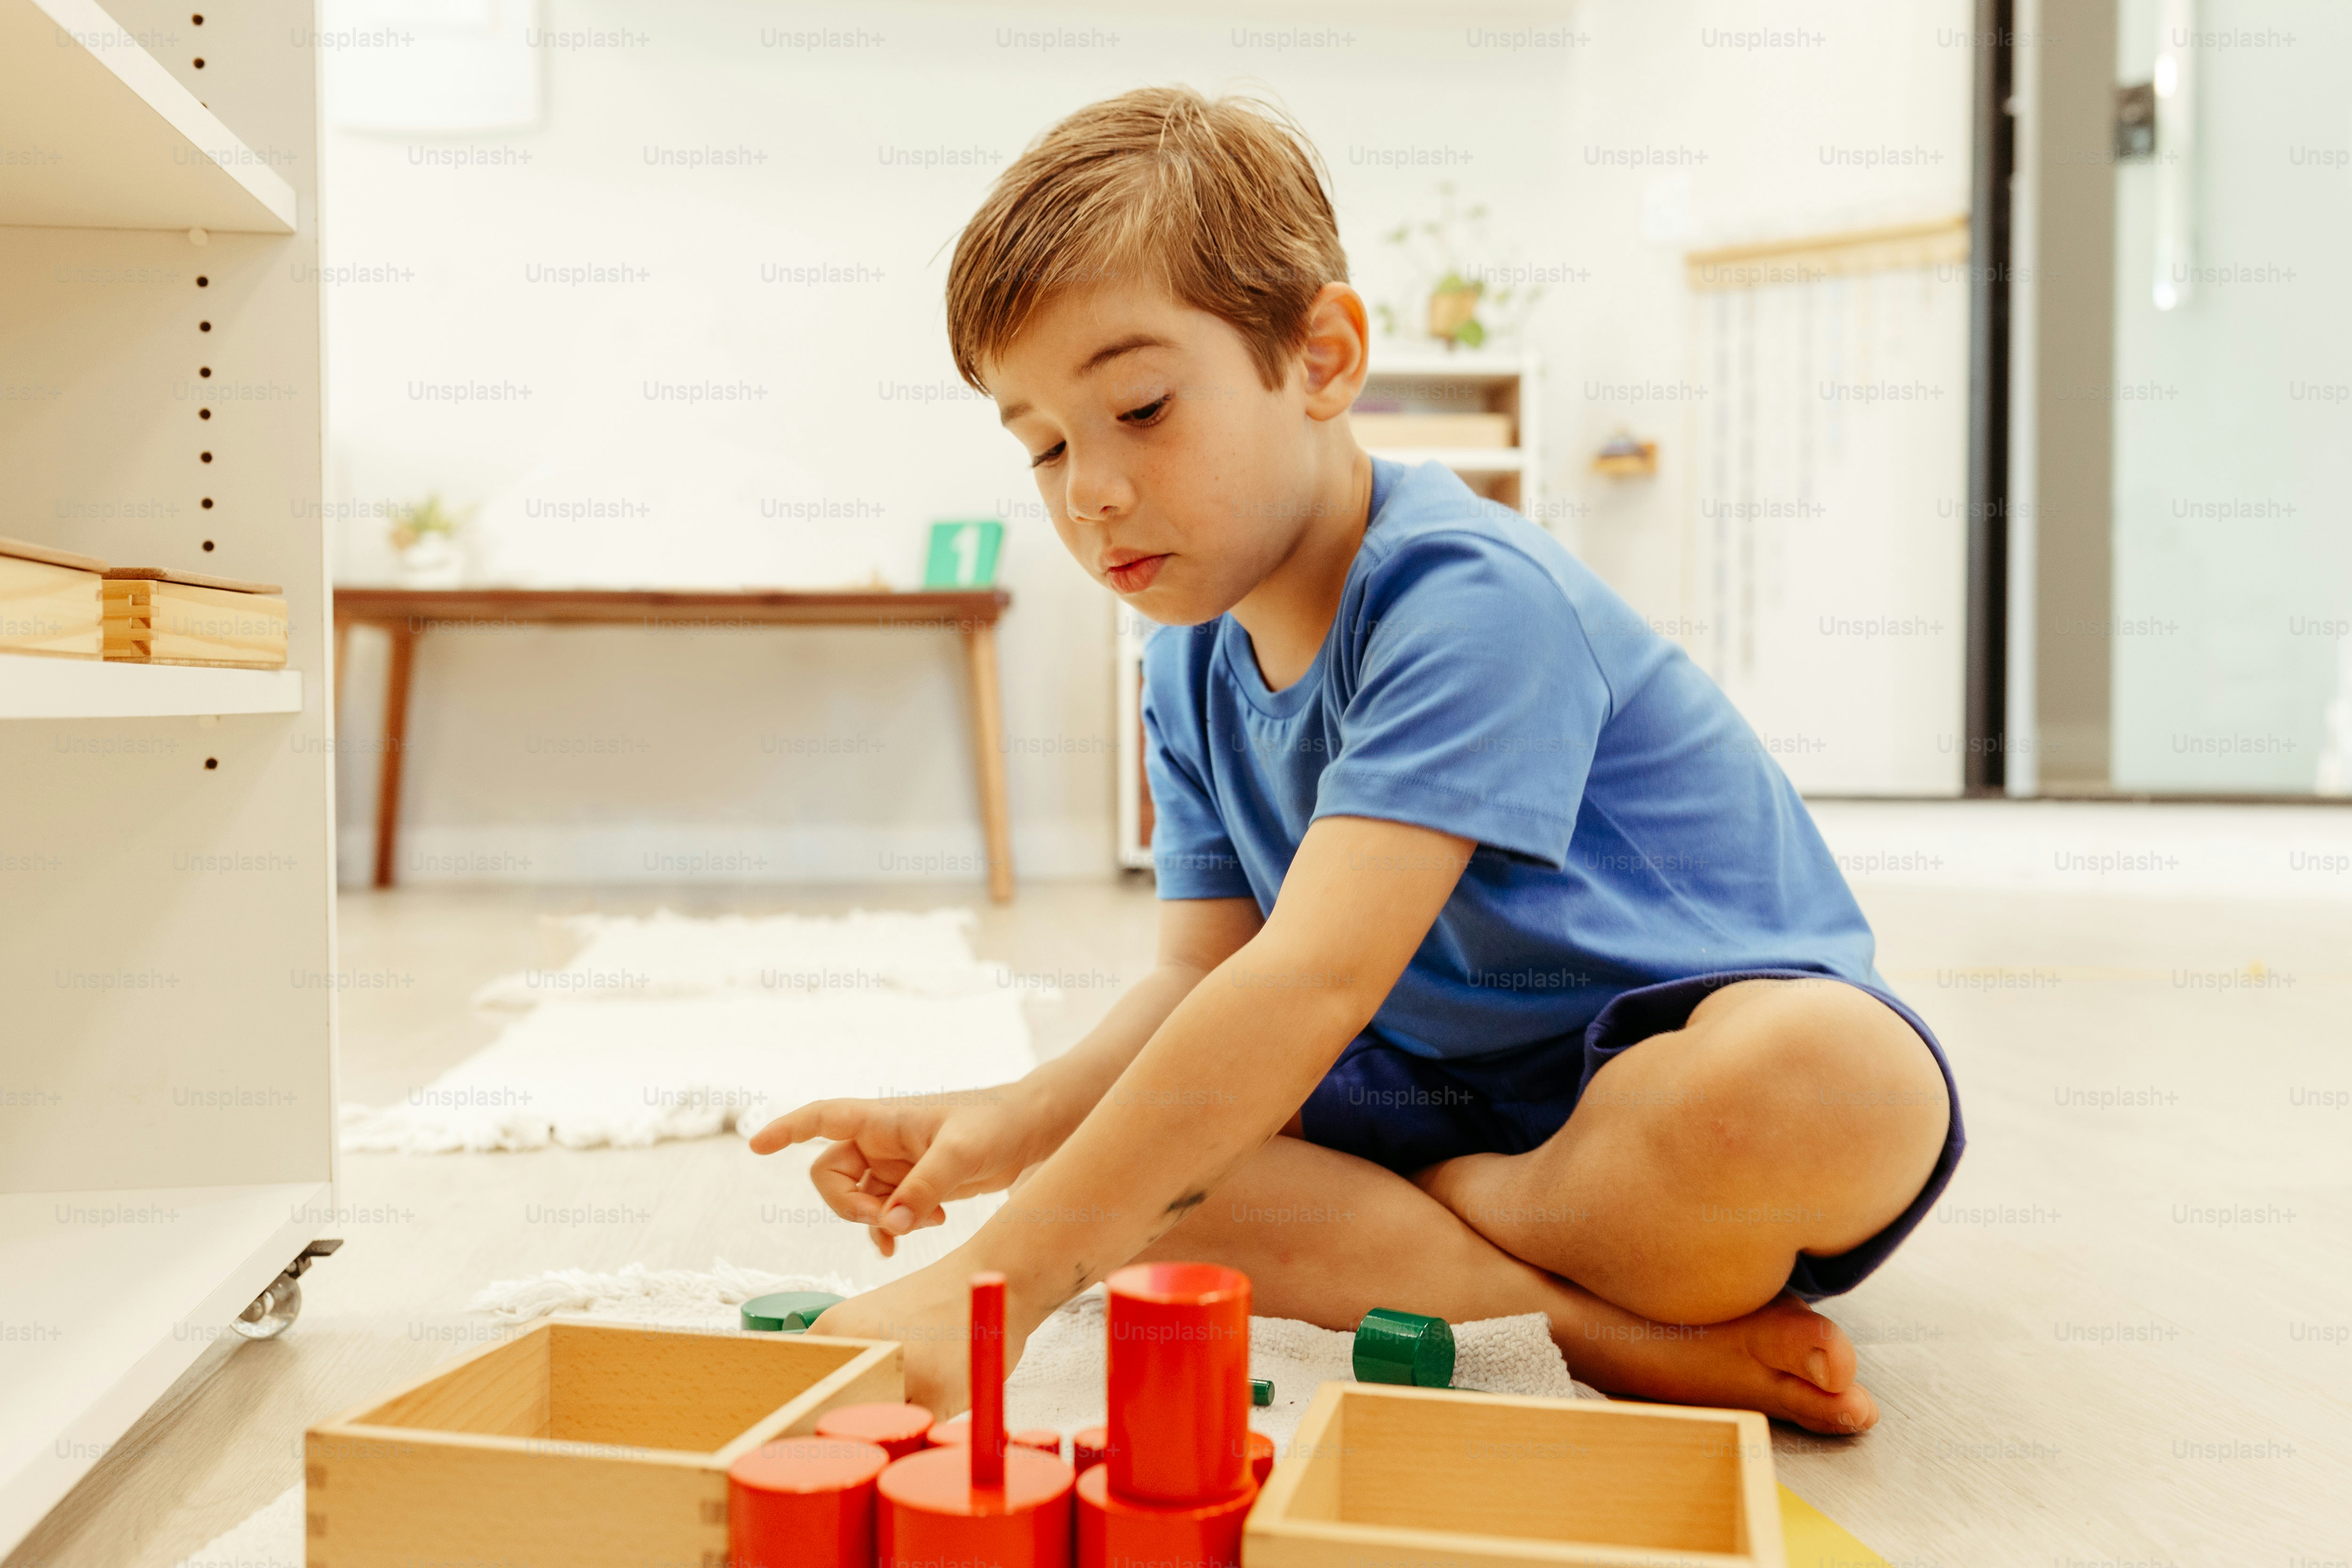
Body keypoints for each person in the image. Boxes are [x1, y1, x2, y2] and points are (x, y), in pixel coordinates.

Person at [752, 86, 1962, 1435]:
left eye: (1140, 407)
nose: (1087, 489)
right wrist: (1022, 1119)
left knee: (1838, 1081)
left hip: (1665, 1098)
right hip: (1429, 1102)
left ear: (1323, 359)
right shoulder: (1186, 659)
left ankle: (1485, 1222)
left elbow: (1310, 978)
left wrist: (994, 1280)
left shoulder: (1469, 596)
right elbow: (1200, 982)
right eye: (1043, 447)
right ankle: (1601, 1332)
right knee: (1161, 1196)